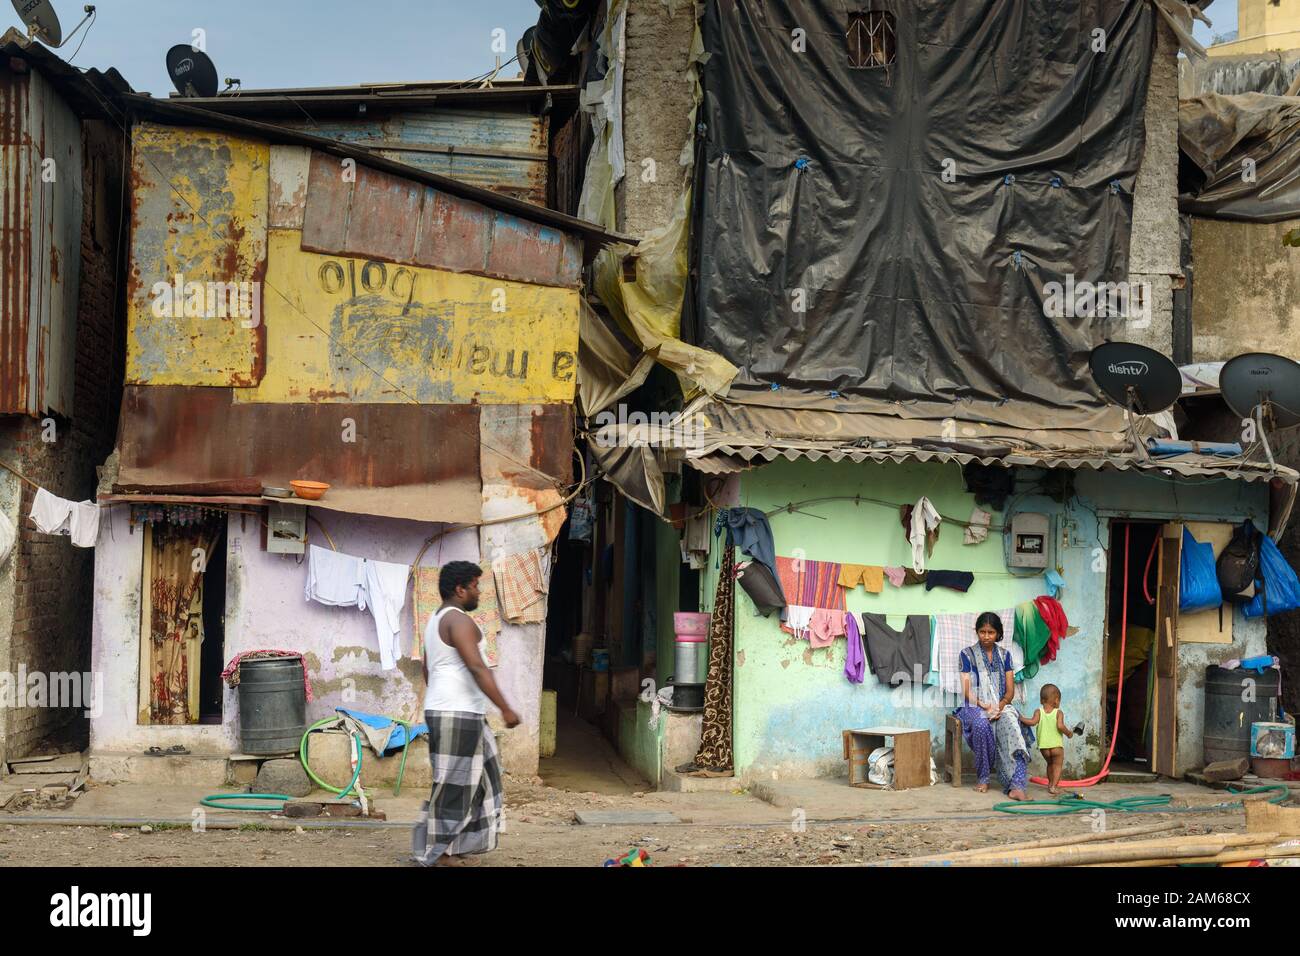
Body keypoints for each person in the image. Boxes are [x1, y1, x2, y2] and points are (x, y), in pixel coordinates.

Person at [412, 561, 521, 867]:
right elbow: (476, 666)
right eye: (475, 585)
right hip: (456, 713)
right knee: (453, 784)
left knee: (482, 779)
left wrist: (440, 699)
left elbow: (426, 666)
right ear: (460, 589)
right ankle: (440, 852)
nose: (479, 591)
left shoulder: (436, 620)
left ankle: (455, 843)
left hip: (458, 710)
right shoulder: (457, 620)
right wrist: (505, 708)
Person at [955, 611, 1031, 800]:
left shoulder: (1005, 655)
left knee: (1013, 726)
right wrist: (984, 706)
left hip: (1001, 705)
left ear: (998, 633)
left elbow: (1010, 691)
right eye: (982, 632)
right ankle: (983, 777)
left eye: (991, 632)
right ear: (977, 632)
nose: (986, 636)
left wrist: (1000, 706)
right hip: (974, 706)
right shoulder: (967, 654)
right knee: (981, 724)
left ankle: (1016, 784)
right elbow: (967, 690)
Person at [1019, 683, 1076, 794]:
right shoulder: (1058, 712)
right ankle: (1053, 786)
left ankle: (1050, 784)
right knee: (1057, 765)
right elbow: (1060, 726)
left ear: (1042, 700)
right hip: (1056, 746)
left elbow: (1032, 722)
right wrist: (1069, 733)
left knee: (1050, 764)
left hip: (1044, 747)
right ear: (1056, 700)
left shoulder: (1038, 711)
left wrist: (1020, 718)